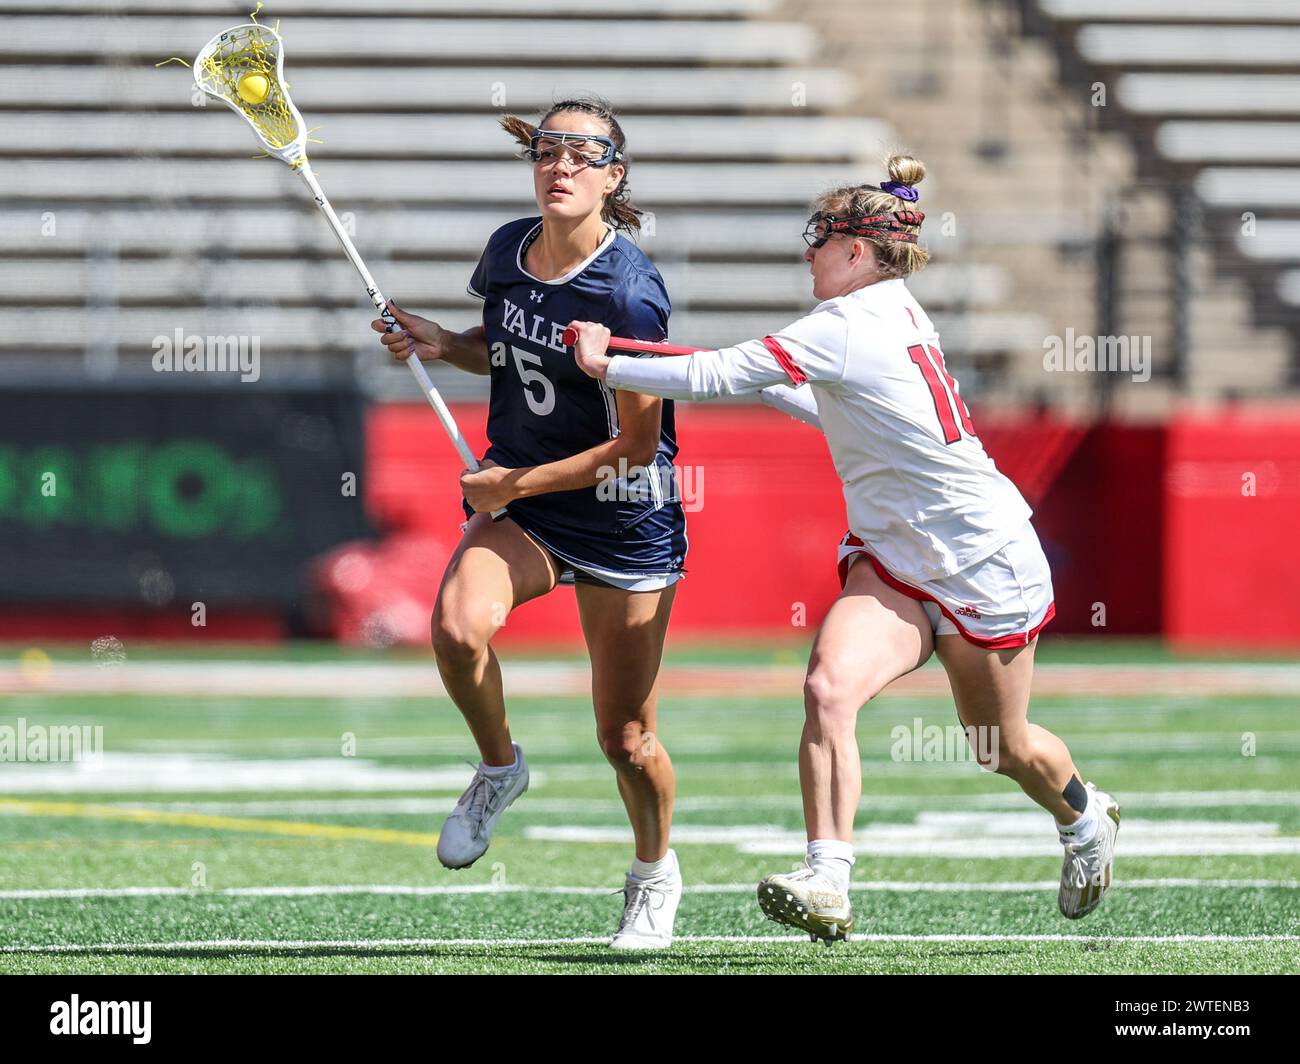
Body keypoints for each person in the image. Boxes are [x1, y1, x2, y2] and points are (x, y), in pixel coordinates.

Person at [567, 154, 1120, 944]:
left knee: (1001, 747)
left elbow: (727, 371)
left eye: (818, 240)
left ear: (857, 250)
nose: (808, 254)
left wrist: (607, 362)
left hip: (980, 557)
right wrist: (669, 363)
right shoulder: (883, 314)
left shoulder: (848, 323)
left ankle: (1084, 816)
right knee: (828, 689)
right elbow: (825, 404)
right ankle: (829, 878)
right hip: (896, 555)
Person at [373, 97, 687, 949]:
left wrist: (508, 483)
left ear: (614, 176)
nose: (561, 166)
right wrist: (441, 340)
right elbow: (509, 342)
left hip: (623, 516)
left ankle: (654, 876)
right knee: (455, 628)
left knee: (625, 738)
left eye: (584, 155)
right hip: (534, 510)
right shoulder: (509, 249)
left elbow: (635, 445)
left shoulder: (630, 292)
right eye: (548, 150)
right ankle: (499, 768)